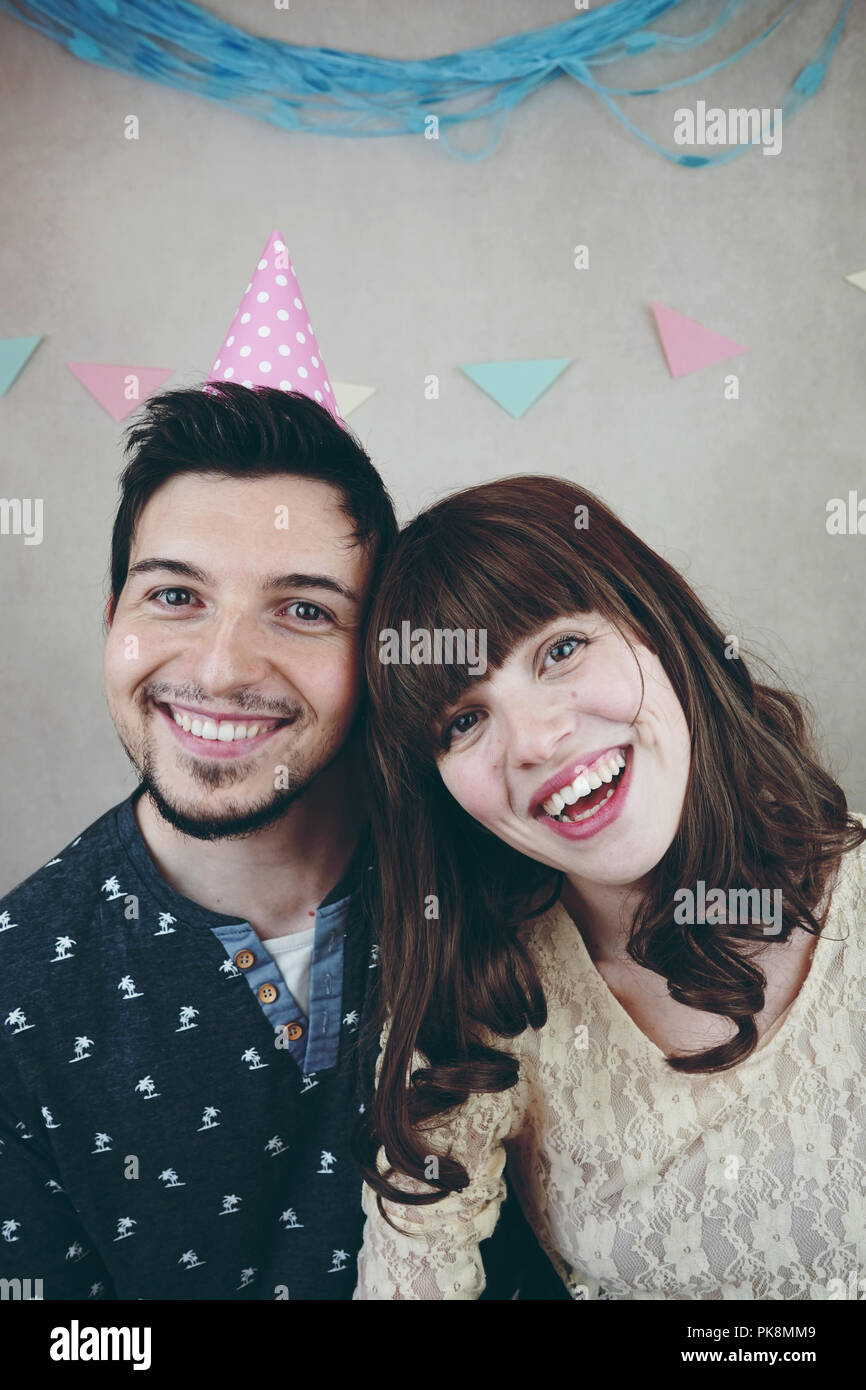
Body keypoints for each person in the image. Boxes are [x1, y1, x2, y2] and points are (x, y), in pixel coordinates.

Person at [352, 474, 866, 1301]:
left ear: (655, 628)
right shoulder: (483, 1009)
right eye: (464, 721)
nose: (537, 740)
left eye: (559, 650)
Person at [0, 382, 399, 1300]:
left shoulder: (509, 887)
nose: (221, 670)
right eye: (175, 595)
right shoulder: (18, 995)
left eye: (303, 610)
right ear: (113, 621)